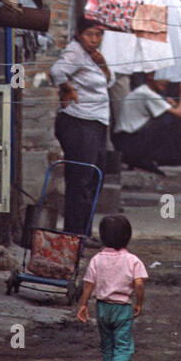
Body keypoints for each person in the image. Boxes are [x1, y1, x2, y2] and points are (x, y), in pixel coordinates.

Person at [50, 15, 115, 234]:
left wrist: (102, 64)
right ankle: (73, 234)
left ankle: (83, 232)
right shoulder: (75, 51)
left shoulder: (93, 55)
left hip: (95, 124)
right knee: (80, 180)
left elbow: (108, 81)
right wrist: (68, 88)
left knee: (94, 179)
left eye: (98, 35)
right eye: (89, 34)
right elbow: (57, 71)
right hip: (79, 123)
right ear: (79, 34)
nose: (94, 39)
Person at [76, 214, 148, 361]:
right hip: (122, 308)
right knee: (124, 346)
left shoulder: (96, 260)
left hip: (102, 308)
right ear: (127, 237)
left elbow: (88, 285)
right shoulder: (132, 260)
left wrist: (83, 305)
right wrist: (139, 302)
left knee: (107, 346)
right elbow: (139, 283)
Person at [112, 72, 181, 170]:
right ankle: (161, 158)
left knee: (169, 118)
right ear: (151, 76)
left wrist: (170, 103)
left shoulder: (144, 91)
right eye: (163, 78)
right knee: (170, 120)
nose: (166, 82)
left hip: (125, 140)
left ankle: (158, 158)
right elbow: (179, 114)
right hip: (129, 141)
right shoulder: (146, 93)